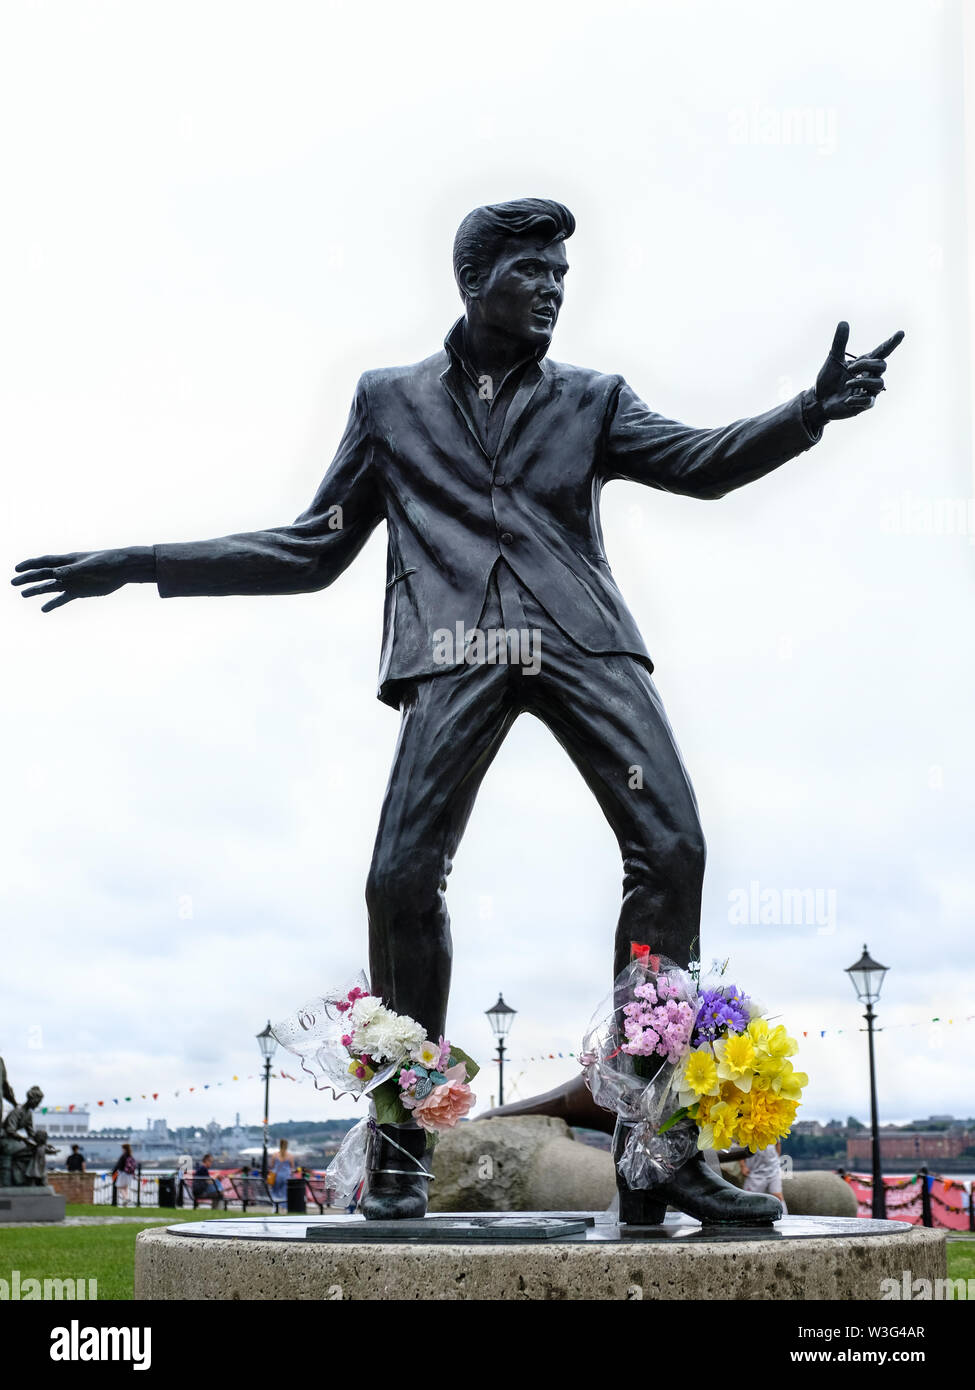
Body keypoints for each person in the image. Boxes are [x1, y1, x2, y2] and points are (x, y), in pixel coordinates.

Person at [12, 199, 902, 1225]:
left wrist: (805, 413)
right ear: (477, 282)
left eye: (564, 277)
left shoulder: (593, 399)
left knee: (673, 847)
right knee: (399, 877)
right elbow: (312, 549)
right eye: (535, 275)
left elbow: (700, 464)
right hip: (451, 654)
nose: (555, 293)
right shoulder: (390, 403)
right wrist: (138, 563)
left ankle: (656, 1148)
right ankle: (400, 1146)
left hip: (581, 640)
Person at [740, 1142, 788, 1214]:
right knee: (749, 1199)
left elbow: (778, 1143)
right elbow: (740, 1147)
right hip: (754, 1171)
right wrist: (743, 1165)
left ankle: (785, 1218)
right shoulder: (748, 1131)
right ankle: (744, 1217)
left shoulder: (773, 1131)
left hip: (773, 1169)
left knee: (778, 1196)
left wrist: (777, 1159)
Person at [268, 1140, 292, 1205]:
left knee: (275, 1191)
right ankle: (284, 1205)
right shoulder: (290, 1156)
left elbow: (271, 1166)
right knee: (284, 1192)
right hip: (287, 1176)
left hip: (276, 1176)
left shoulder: (275, 1155)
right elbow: (292, 1167)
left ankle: (275, 1205)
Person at [112, 1142, 137, 1206]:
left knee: (119, 1186)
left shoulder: (123, 1156)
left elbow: (118, 1165)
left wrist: (113, 1171)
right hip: (129, 1174)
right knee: (125, 1188)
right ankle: (125, 1201)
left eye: (122, 1148)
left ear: (124, 1148)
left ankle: (126, 1198)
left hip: (123, 1173)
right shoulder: (130, 1156)